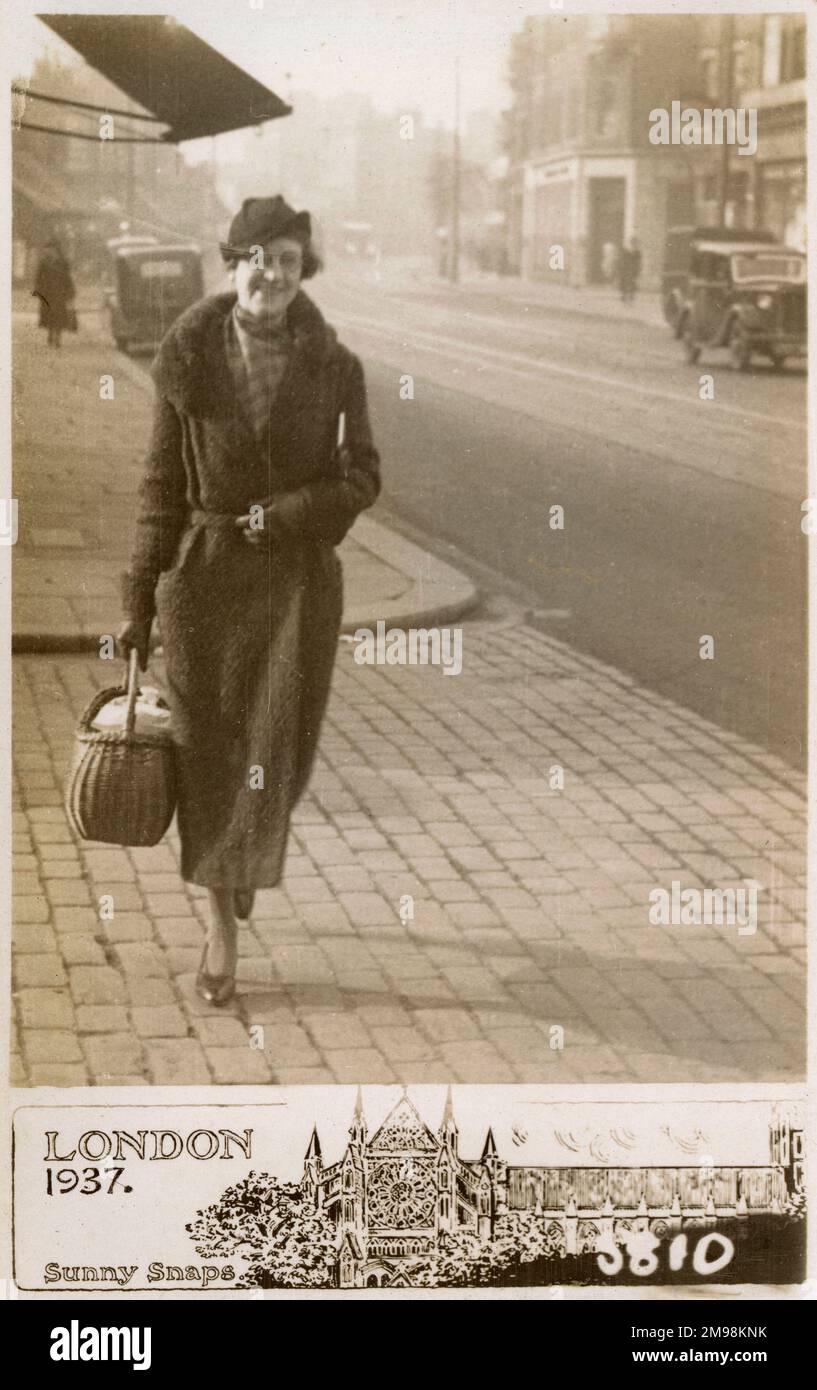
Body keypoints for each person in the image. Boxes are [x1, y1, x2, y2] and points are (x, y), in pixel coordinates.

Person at [117, 196, 381, 1006]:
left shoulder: (336, 367)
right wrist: (138, 602)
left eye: (290, 261)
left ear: (305, 273)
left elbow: (360, 476)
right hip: (203, 587)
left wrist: (294, 513)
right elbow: (162, 485)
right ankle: (220, 929)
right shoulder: (187, 358)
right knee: (208, 760)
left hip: (295, 588)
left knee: (280, 760)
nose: (272, 275)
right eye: (258, 258)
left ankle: (241, 858)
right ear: (233, 263)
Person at [33, 237, 75, 348]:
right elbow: (39, 277)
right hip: (47, 293)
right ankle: (51, 333)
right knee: (49, 315)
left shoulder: (63, 262)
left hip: (60, 292)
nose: (49, 251)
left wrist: (70, 291)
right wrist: (38, 290)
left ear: (56, 249)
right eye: (48, 249)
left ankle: (58, 337)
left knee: (60, 315)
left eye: (51, 248)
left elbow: (67, 278)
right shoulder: (44, 262)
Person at [618, 236, 642, 304]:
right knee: (625, 282)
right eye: (634, 243)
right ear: (631, 243)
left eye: (636, 243)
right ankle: (624, 295)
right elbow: (623, 260)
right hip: (626, 269)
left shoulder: (637, 252)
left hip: (633, 269)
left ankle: (631, 296)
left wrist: (638, 269)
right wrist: (622, 268)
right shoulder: (626, 251)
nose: (635, 244)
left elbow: (639, 261)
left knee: (632, 282)